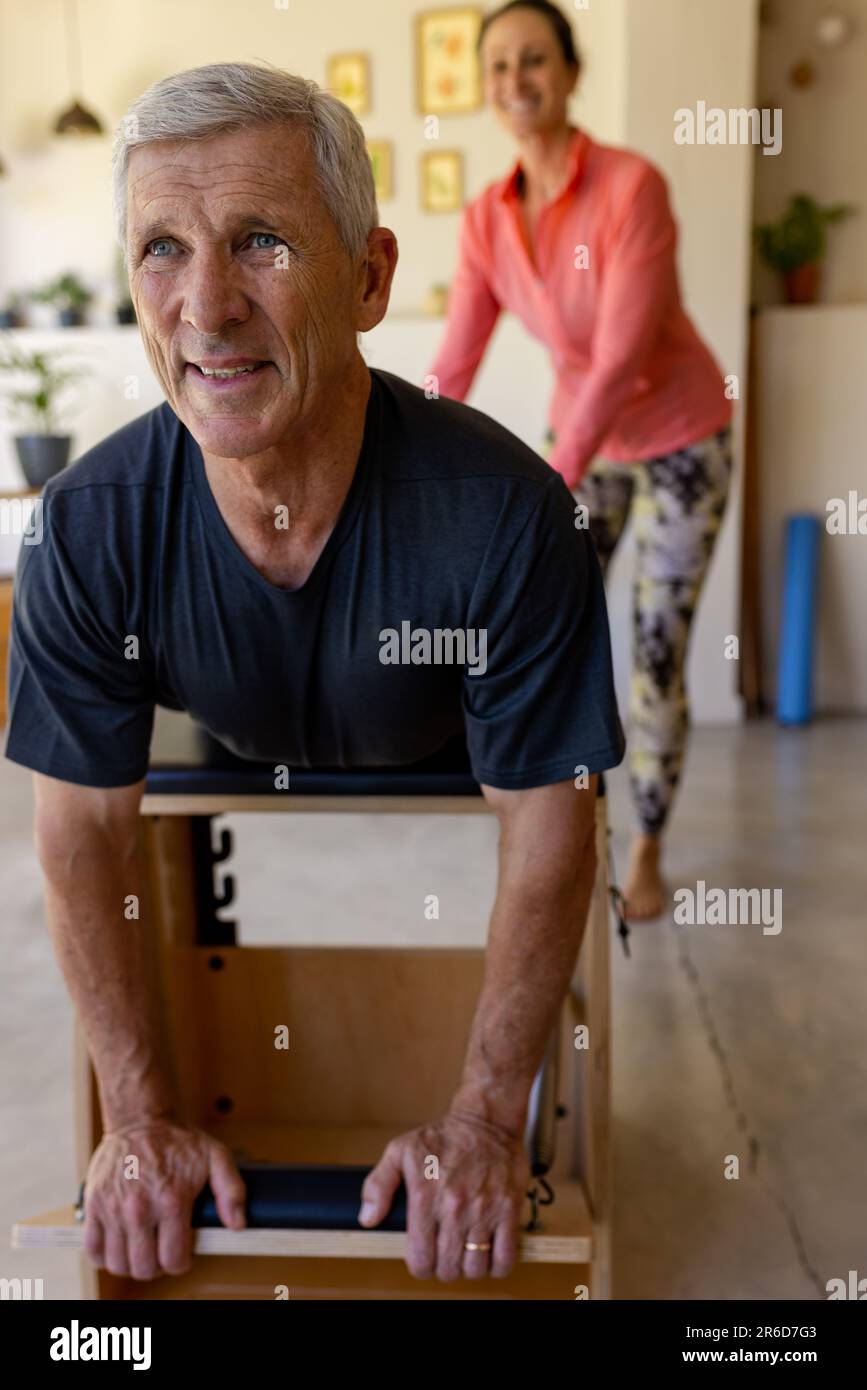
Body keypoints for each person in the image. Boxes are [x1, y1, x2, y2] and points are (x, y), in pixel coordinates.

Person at [4, 62, 624, 1287]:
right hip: (237, 725)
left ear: (372, 278)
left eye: (263, 243)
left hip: (440, 726)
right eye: (162, 252)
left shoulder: (506, 518)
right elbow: (77, 831)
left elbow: (553, 829)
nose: (206, 307)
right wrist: (136, 1117)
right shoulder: (85, 528)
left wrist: (491, 1120)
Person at [429, 0, 734, 920]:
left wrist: (546, 481)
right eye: (497, 67)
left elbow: (619, 358)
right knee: (547, 629)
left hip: (678, 434)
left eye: (533, 60)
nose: (515, 82)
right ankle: (556, 821)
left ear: (569, 71)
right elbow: (455, 359)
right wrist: (398, 453)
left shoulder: (630, 188)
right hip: (585, 439)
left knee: (653, 650)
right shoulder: (488, 217)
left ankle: (645, 850)